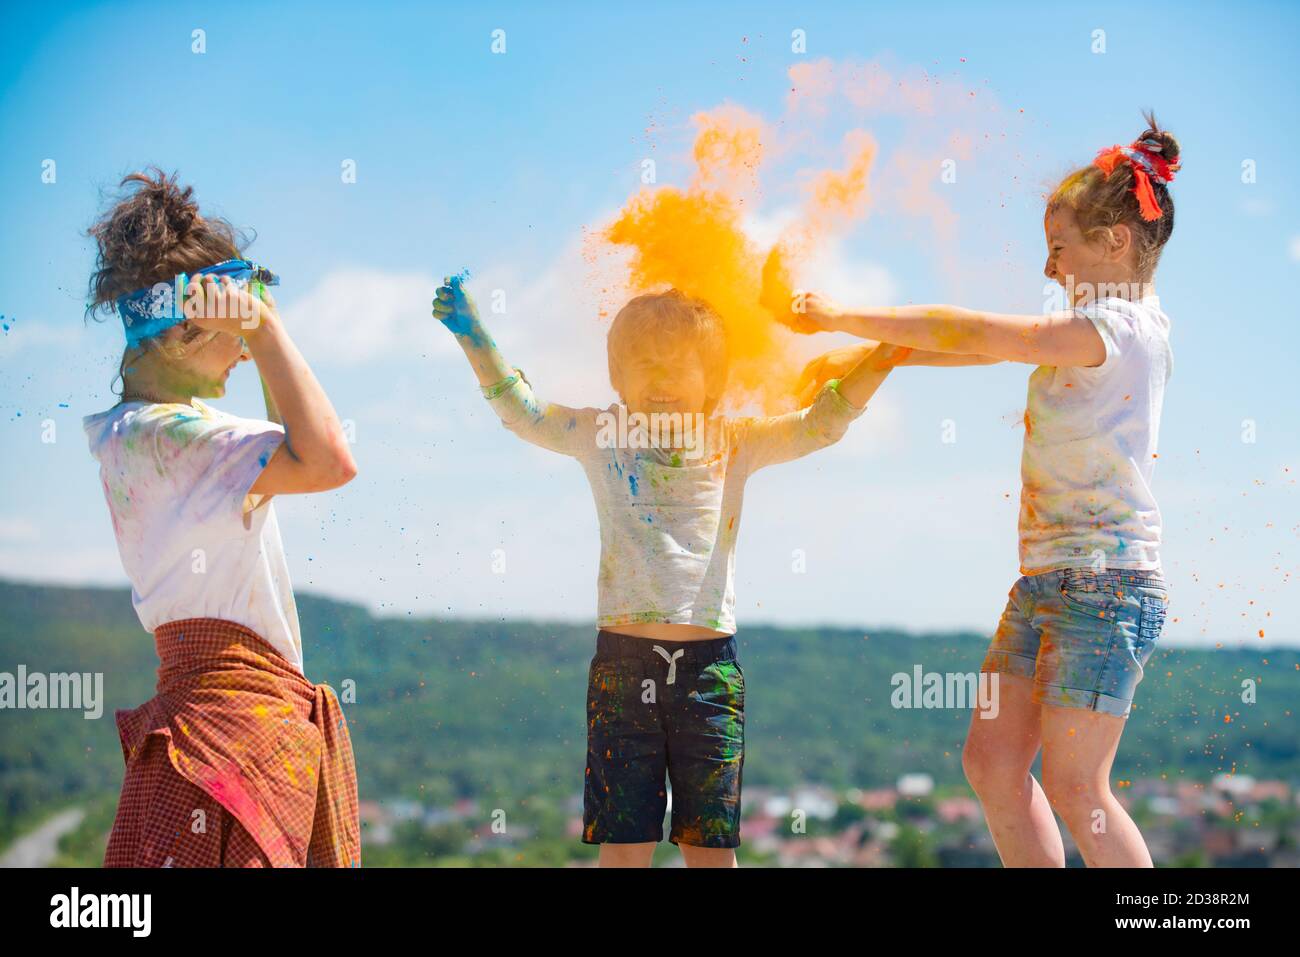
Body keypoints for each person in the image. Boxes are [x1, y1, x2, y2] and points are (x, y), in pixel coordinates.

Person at [777, 115, 1180, 867]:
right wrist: (867, 357)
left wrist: (837, 315)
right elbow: (980, 348)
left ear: (1115, 242)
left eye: (1059, 247)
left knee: (1075, 783)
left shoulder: (1123, 332)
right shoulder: (1088, 331)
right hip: (1045, 581)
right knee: (992, 764)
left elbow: (984, 334)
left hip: (1107, 584)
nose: (1051, 266)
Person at [434, 276, 904, 866]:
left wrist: (888, 350)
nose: (661, 380)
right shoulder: (601, 435)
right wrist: (474, 337)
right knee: (625, 848)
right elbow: (523, 412)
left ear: (712, 378)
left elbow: (822, 422)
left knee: (709, 850)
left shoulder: (735, 440)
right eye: (645, 365)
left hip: (710, 676)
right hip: (622, 673)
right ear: (617, 377)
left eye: (679, 365)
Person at [83, 169, 360, 867]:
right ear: (184, 330)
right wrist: (265, 327)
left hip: (188, 742)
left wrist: (251, 323)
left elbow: (292, 447)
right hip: (236, 742)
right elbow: (327, 458)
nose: (241, 352)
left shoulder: (131, 436)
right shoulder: (192, 442)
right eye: (231, 334)